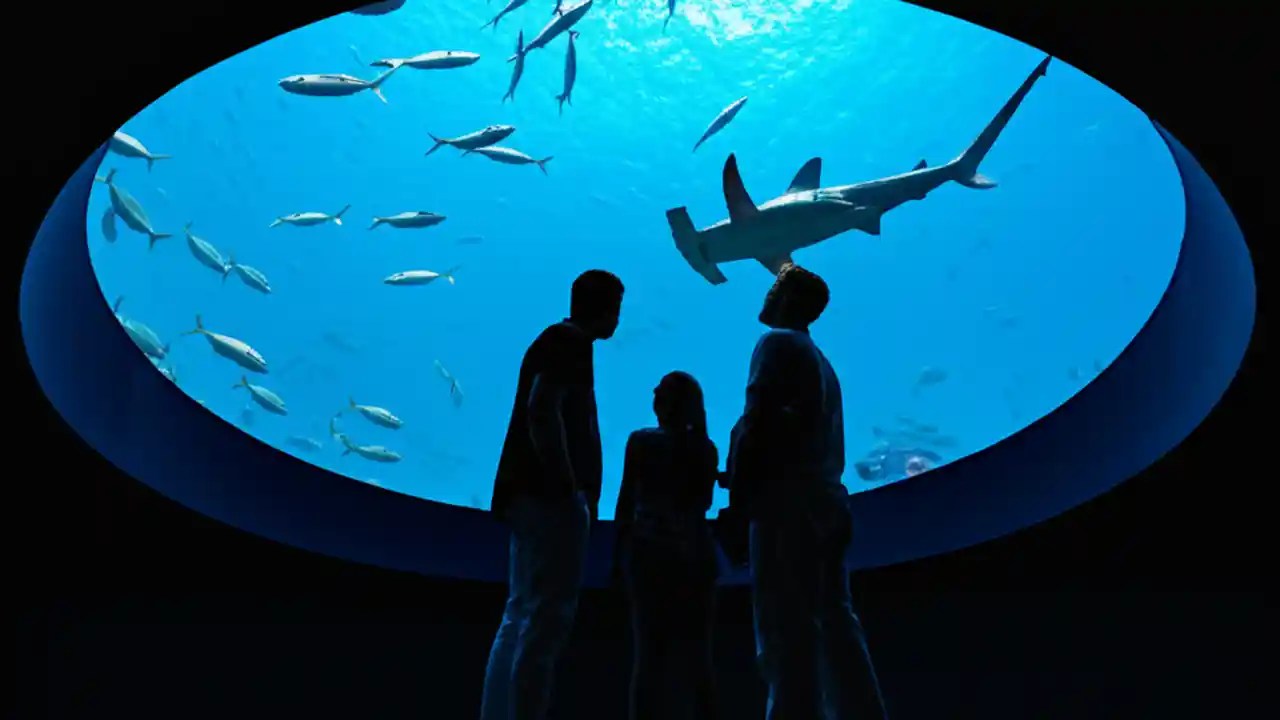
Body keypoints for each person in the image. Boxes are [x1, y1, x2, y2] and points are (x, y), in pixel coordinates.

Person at [724, 263, 889, 720]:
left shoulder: (776, 344)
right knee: (836, 626)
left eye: (775, 286)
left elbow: (760, 422)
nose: (767, 294)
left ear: (788, 299)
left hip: (785, 507)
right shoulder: (820, 360)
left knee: (784, 634)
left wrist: (738, 503)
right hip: (828, 505)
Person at [481, 269, 624, 720]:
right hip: (551, 499)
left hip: (526, 495)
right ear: (604, 307)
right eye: (617, 308)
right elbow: (543, 409)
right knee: (547, 622)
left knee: (519, 612)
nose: (619, 319)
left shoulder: (553, 340)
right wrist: (567, 487)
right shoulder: (571, 342)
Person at [613, 371, 721, 720]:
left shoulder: (640, 443)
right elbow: (703, 503)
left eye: (659, 390)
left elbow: (625, 505)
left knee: (648, 659)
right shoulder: (706, 450)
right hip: (696, 558)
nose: (653, 392)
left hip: (648, 558)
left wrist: (617, 560)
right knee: (699, 661)